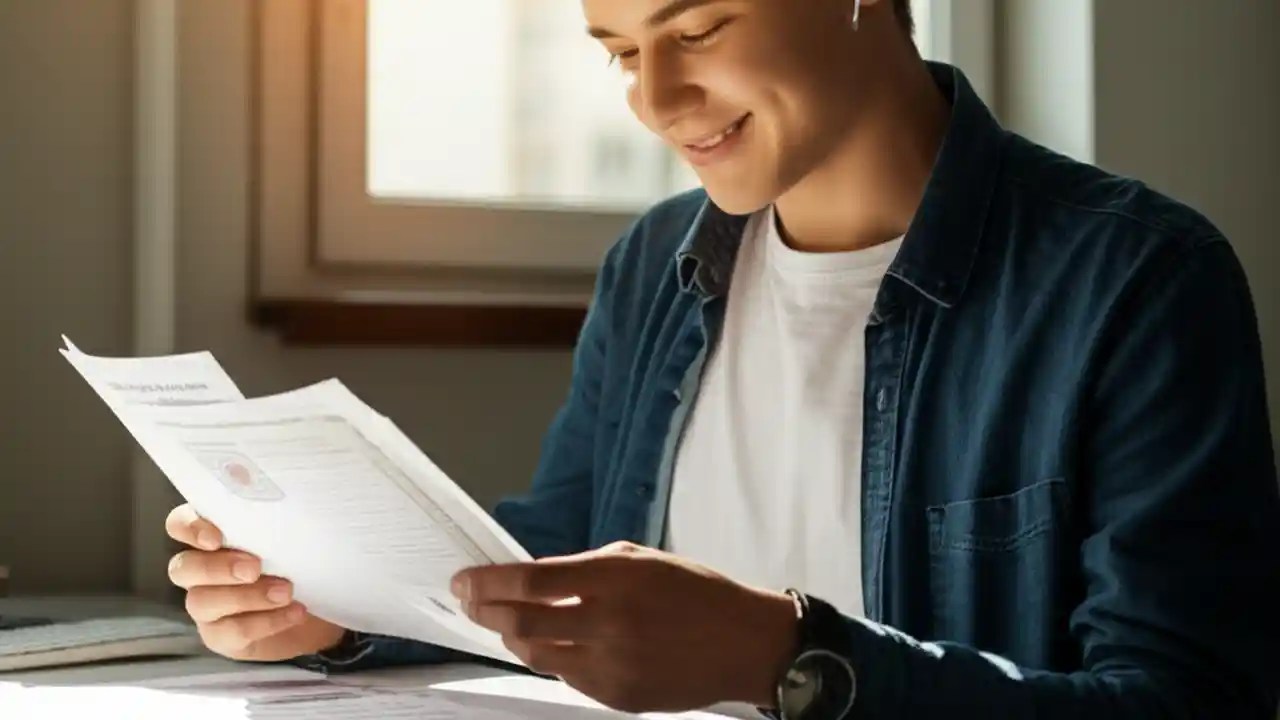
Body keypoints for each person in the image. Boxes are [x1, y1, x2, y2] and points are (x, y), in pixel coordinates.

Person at [163, 0, 1280, 717]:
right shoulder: (652, 263)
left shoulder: (1134, 279)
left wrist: (788, 659)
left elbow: (1184, 703)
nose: (653, 101)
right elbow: (555, 560)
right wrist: (338, 613)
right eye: (618, 54)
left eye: (694, 31)